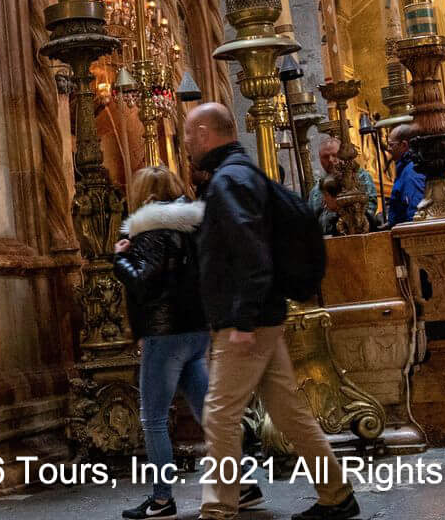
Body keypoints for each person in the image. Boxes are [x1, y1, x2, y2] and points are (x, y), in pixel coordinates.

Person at [183, 103, 360, 520]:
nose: (186, 143)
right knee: (288, 411)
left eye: (189, 135)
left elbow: (251, 253)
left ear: (206, 133)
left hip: (245, 320)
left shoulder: (229, 181)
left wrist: (243, 320)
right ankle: (336, 494)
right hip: (261, 314)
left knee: (219, 414)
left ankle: (218, 509)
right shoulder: (243, 174)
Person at [112, 165, 211, 519]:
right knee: (208, 412)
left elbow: (143, 282)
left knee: (153, 418)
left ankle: (161, 499)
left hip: (165, 333)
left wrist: (121, 259)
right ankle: (243, 482)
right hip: (196, 329)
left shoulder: (151, 228)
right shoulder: (193, 224)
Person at [305, 139, 379, 232]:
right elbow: (311, 218)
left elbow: (370, 207)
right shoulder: (316, 189)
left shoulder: (360, 177)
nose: (330, 160)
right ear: (320, 159)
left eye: (334, 155)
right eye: (325, 157)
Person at [385, 125, 426, 227]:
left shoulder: (412, 171)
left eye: (391, 145)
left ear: (404, 145)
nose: (388, 149)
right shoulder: (404, 169)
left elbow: (415, 213)